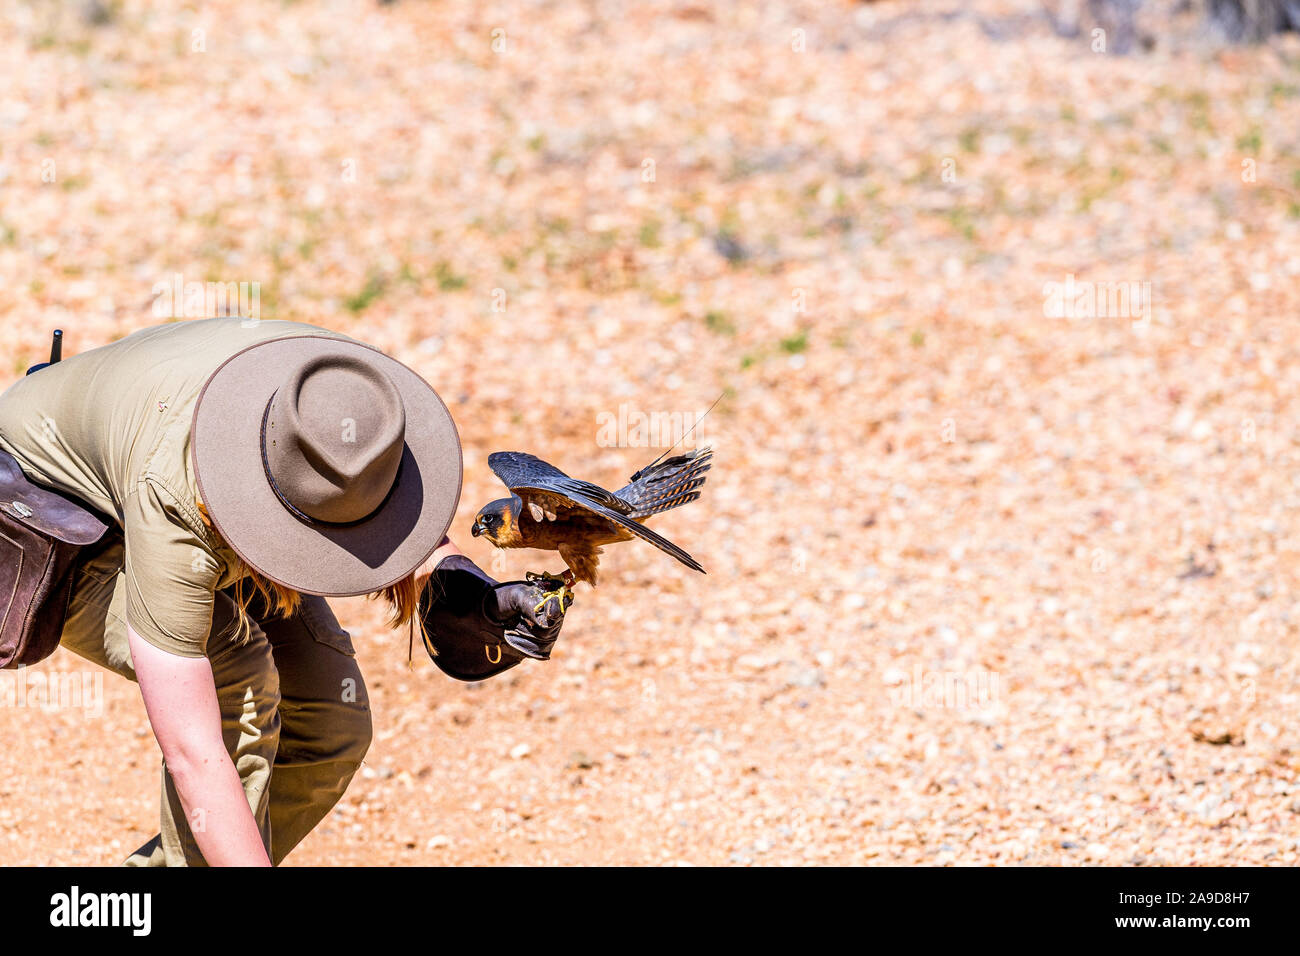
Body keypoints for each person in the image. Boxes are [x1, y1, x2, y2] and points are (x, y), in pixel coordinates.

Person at [0, 317, 568, 866]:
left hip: (201, 475)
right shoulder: (177, 497)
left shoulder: (344, 394)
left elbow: (372, 494)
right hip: (49, 512)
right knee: (235, 676)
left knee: (330, 720)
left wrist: (462, 583)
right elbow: (194, 755)